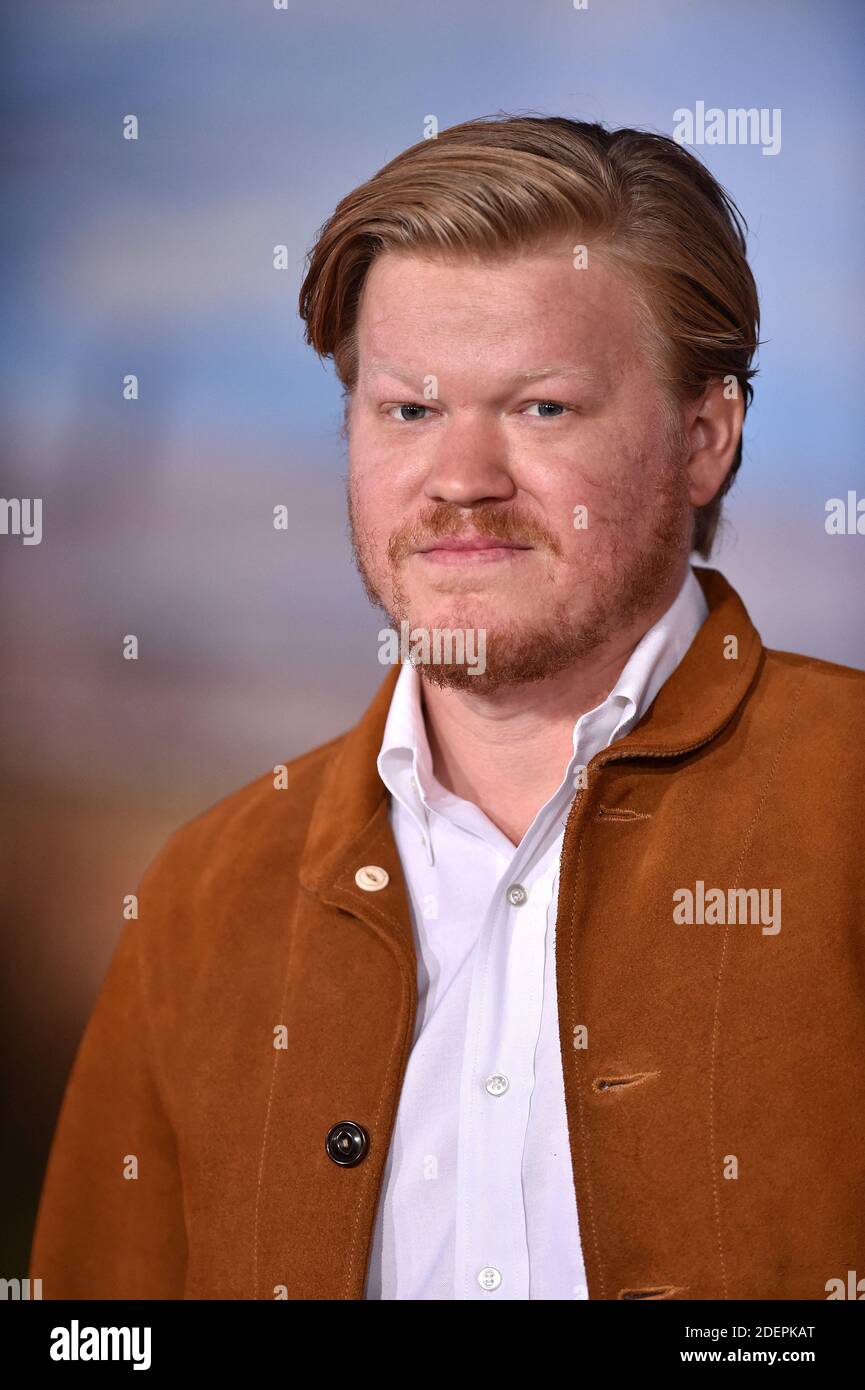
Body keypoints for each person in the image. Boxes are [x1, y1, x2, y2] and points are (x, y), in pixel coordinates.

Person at [29, 115, 865, 1301]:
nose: (460, 478)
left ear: (703, 437)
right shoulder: (208, 892)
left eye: (540, 408)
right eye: (407, 411)